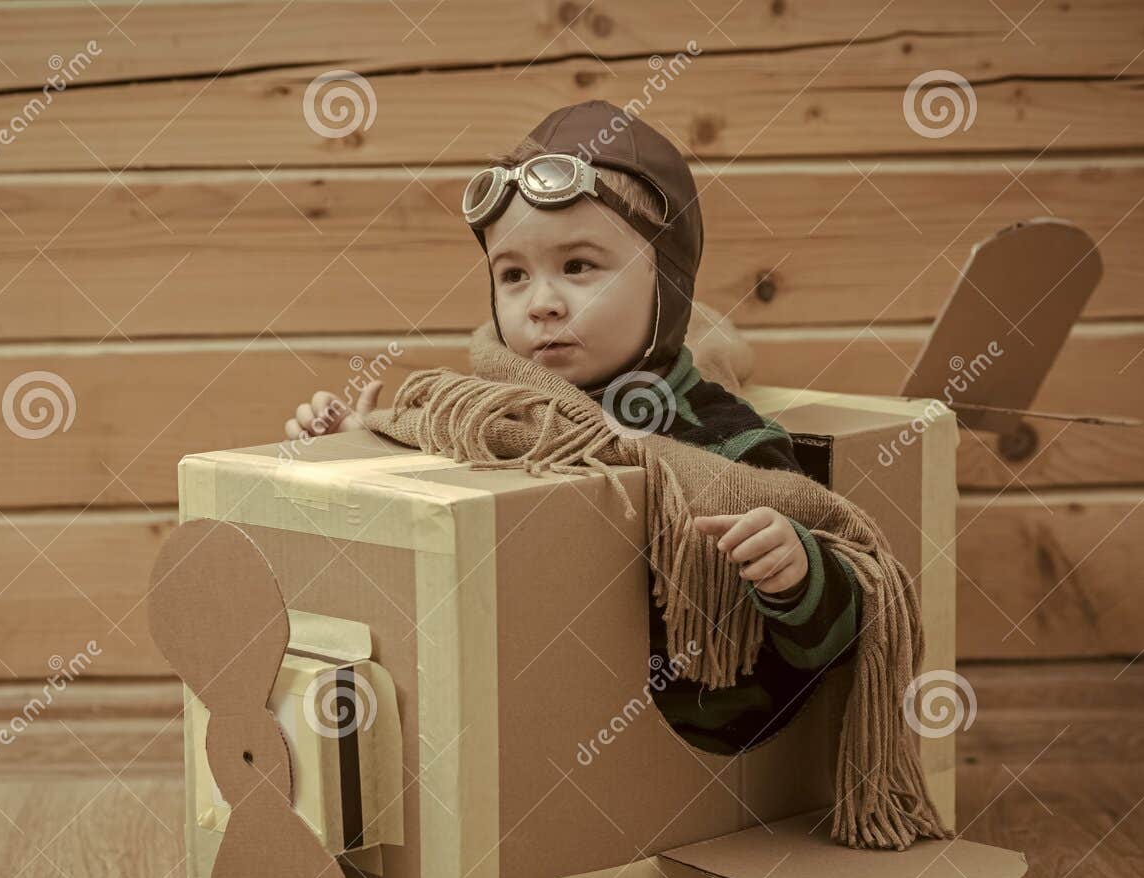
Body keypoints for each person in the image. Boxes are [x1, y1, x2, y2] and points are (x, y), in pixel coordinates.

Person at [284, 100, 860, 754]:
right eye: (513, 275)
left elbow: (837, 641)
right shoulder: (493, 416)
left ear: (667, 282)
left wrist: (797, 574)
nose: (543, 303)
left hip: (690, 744)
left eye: (578, 266)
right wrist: (356, 438)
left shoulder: (729, 443)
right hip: (532, 736)